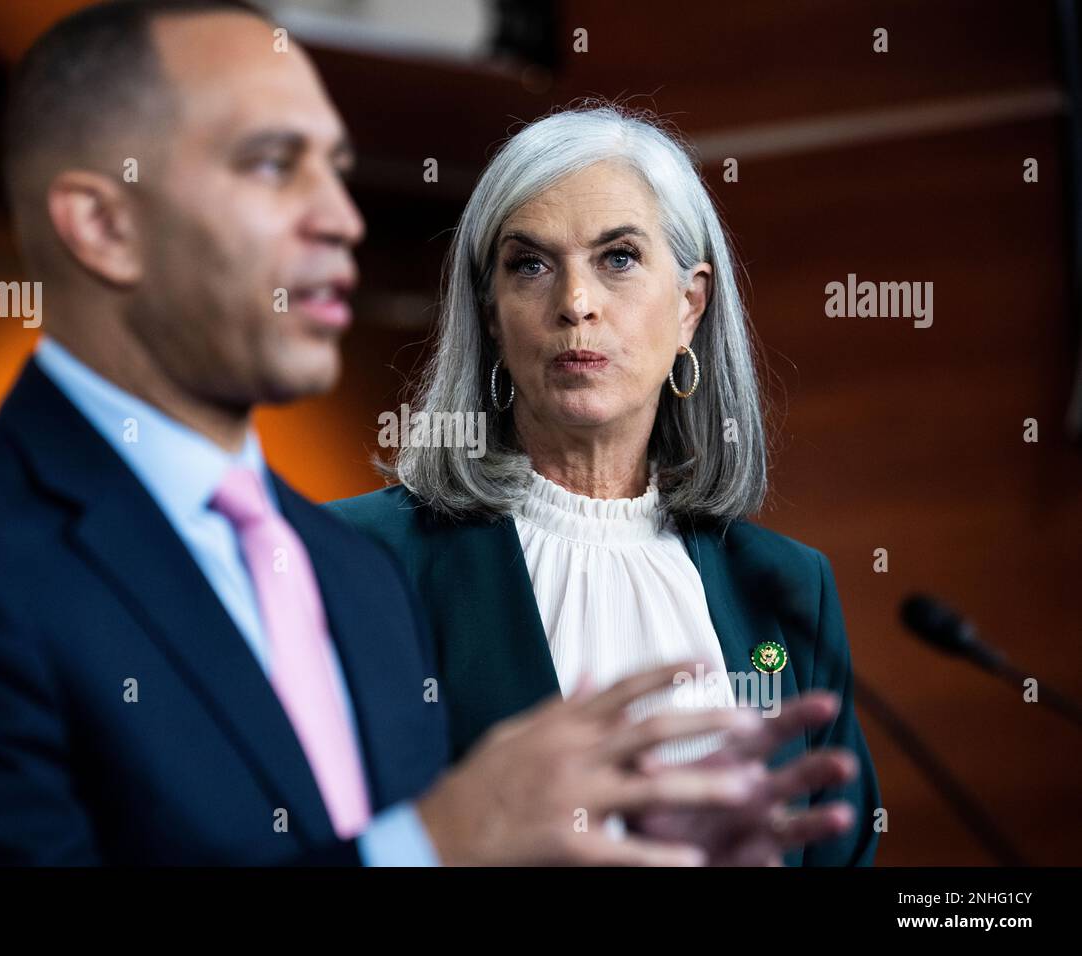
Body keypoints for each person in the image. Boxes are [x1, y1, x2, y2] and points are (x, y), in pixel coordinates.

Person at [0, 1, 837, 867]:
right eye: (271, 164)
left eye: (335, 169)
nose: (341, 217)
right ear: (103, 225)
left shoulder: (342, 572)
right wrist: (432, 844)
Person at [330, 104, 881, 865]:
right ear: (492, 314)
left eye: (618, 258)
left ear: (690, 304)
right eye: (530, 264)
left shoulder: (787, 588)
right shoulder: (353, 560)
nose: (576, 303)